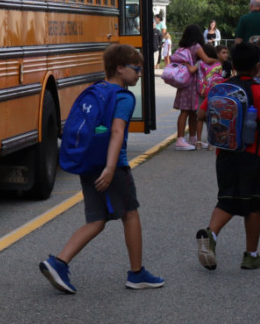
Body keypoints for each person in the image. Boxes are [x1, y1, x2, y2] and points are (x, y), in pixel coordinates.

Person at [39, 43, 165, 293]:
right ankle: (137, 273)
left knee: (97, 220)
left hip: (89, 163)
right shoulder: (123, 97)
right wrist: (110, 168)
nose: (139, 74)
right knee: (130, 213)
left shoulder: (96, 89)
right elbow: (117, 132)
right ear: (119, 69)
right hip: (112, 166)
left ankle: (58, 262)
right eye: (136, 69)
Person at [194, 42, 260, 271]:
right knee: (253, 204)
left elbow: (201, 113)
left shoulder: (221, 88)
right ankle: (250, 255)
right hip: (253, 155)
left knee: (226, 198)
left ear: (232, 64)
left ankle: (210, 234)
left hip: (224, 154)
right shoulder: (259, 91)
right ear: (256, 67)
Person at [169, 24, 209, 151]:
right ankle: (183, 139)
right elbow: (206, 59)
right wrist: (218, 59)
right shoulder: (197, 47)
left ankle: (189, 138)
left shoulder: (183, 47)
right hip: (193, 82)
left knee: (188, 111)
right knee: (189, 111)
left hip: (184, 81)